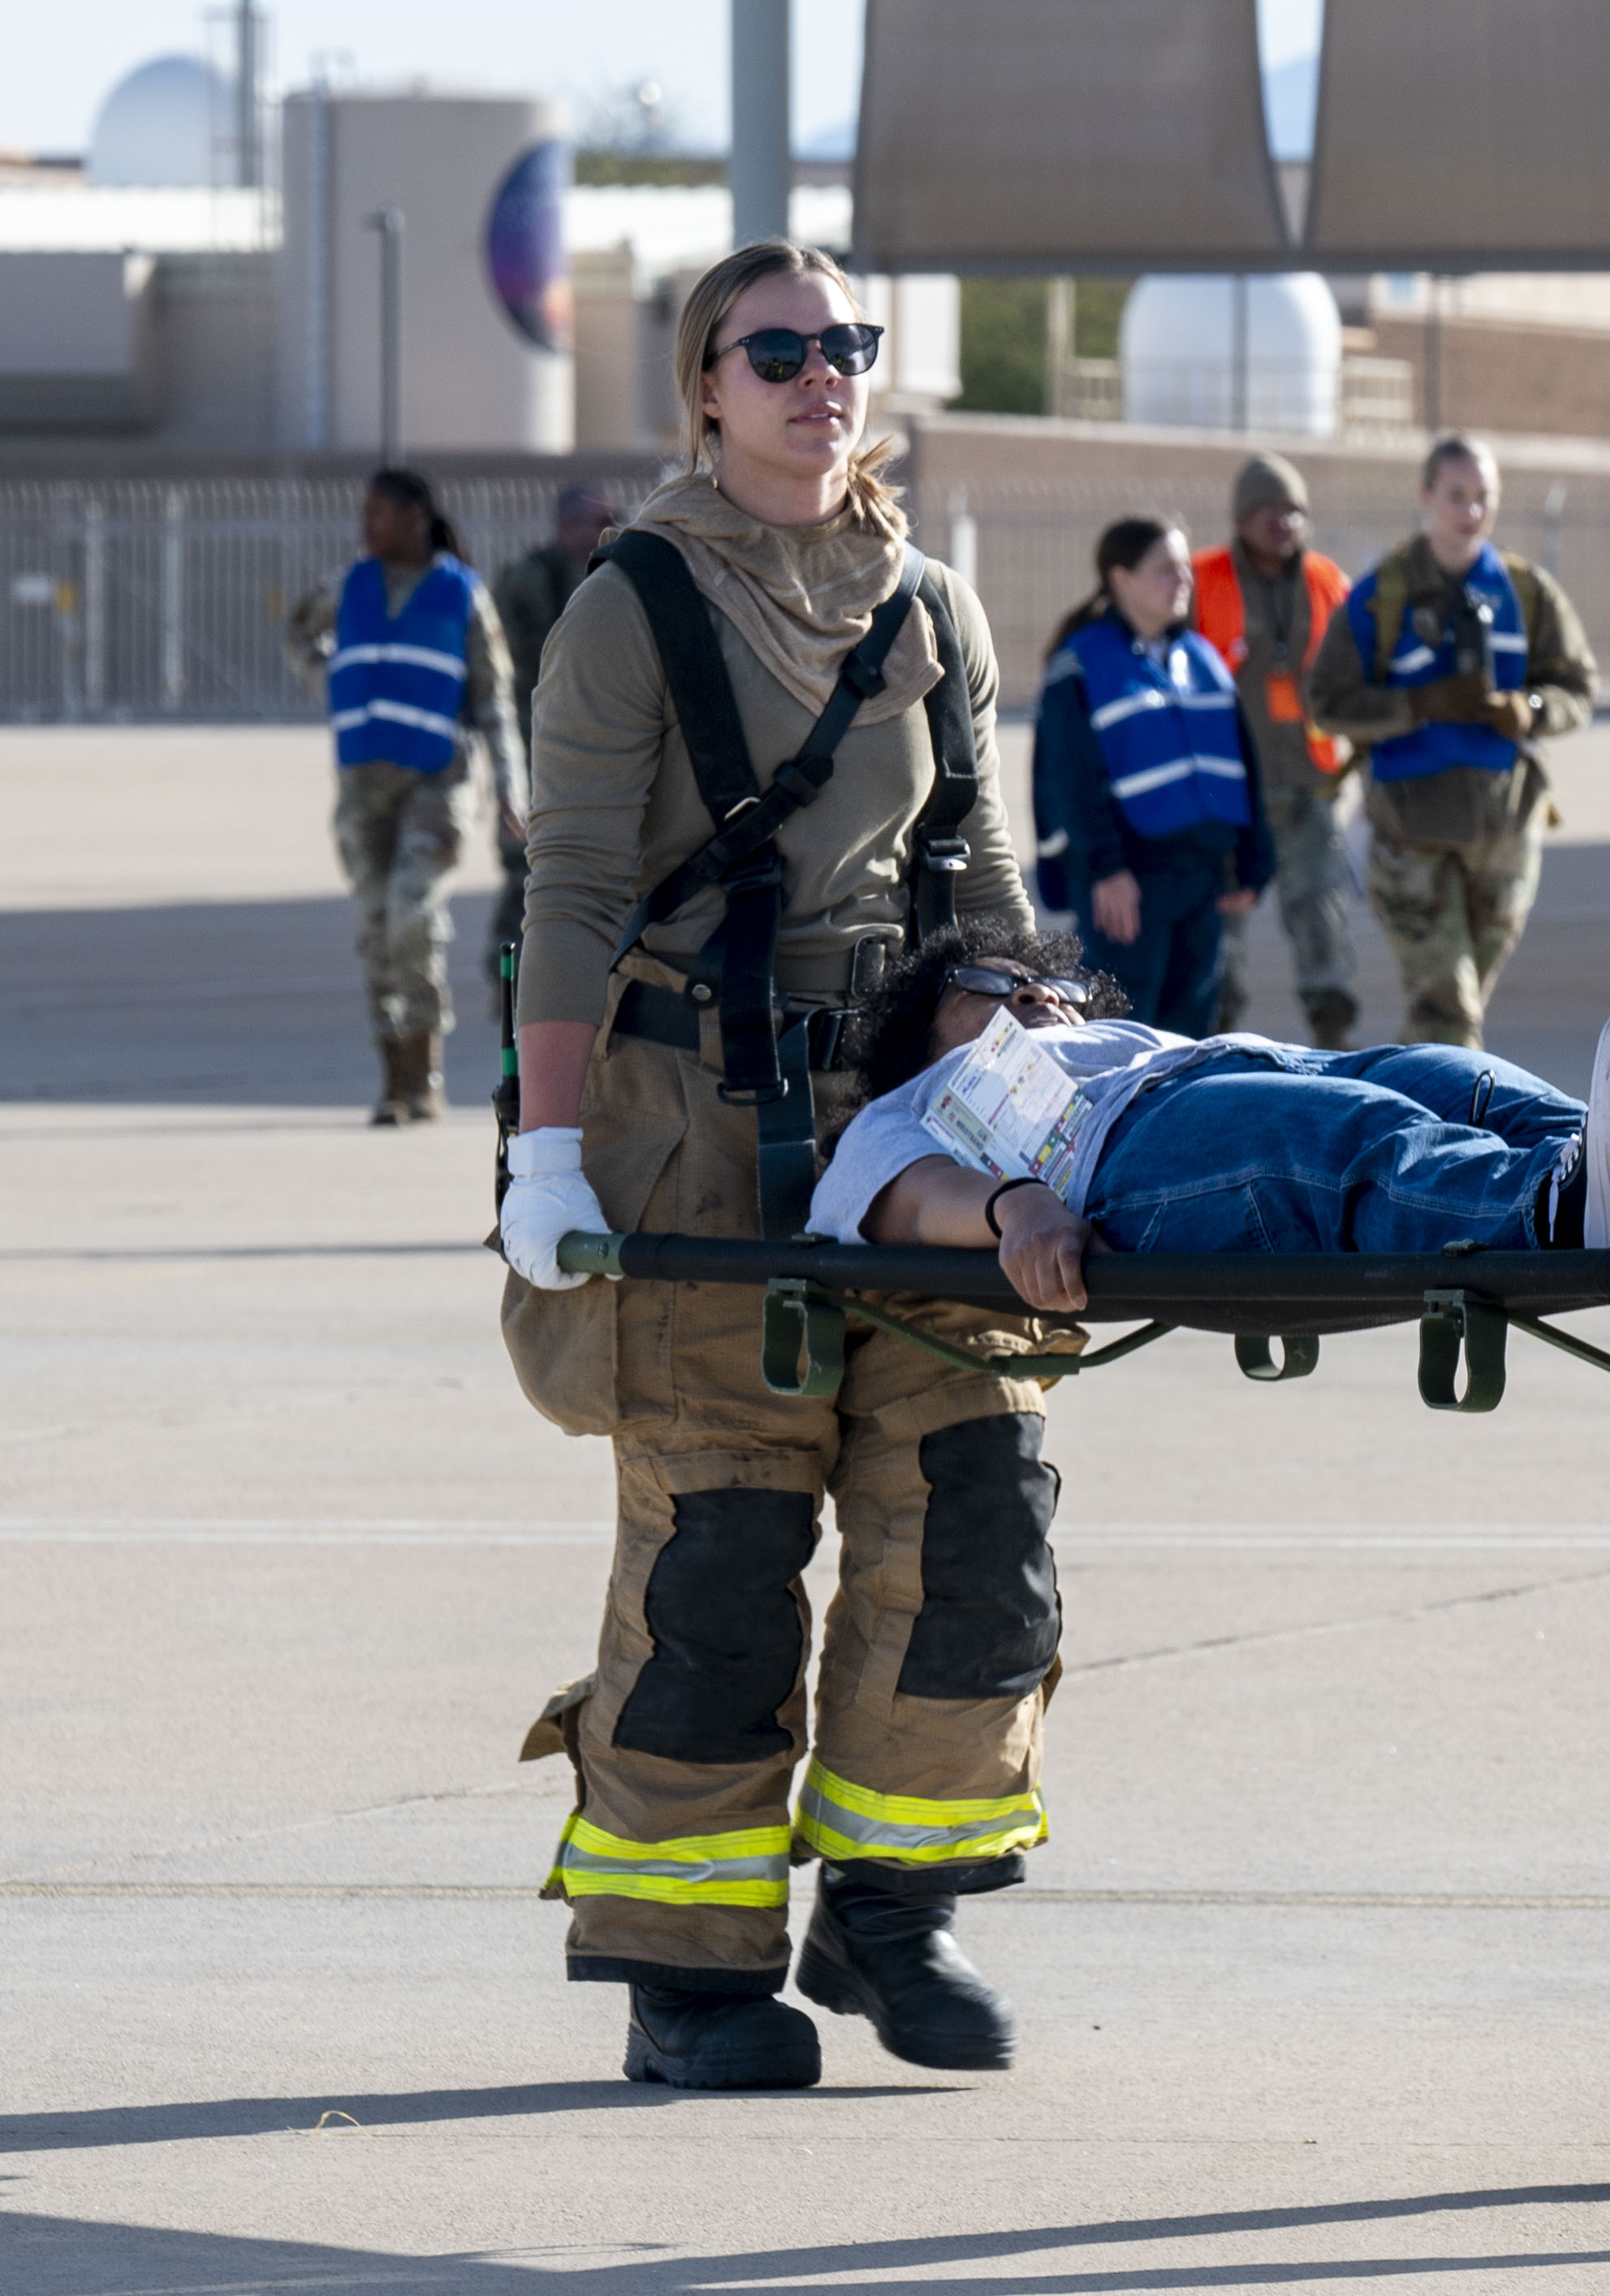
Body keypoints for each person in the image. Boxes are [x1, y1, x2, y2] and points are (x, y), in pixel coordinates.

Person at [487, 239, 1052, 2097]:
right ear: (704, 385)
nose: (825, 372)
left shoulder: (932, 608)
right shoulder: (631, 603)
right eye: (781, 347)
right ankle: (684, 1958)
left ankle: (894, 1906)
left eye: (848, 341)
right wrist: (546, 1150)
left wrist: (1014, 1124)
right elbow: (565, 892)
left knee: (972, 1510)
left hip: (909, 1131)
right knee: (723, 1541)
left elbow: (986, 897)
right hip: (695, 1129)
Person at [815, 919, 1610, 1308]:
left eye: (1051, 983)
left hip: (1240, 1064)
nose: (1041, 996)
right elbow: (916, 1198)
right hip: (1128, 1153)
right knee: (1345, 1141)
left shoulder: (1098, 1036)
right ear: (920, 1033)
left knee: (1466, 1081)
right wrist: (1017, 1205)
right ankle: (1552, 1213)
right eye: (995, 986)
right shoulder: (909, 1105)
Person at [1310, 434, 1598, 1047]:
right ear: (1426, 497)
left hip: (1505, 840)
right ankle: (1448, 1127)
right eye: (1456, 496)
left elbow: (1577, 687)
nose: (1470, 512)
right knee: (1450, 1012)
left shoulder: (1527, 593)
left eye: (1483, 498)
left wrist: (1530, 708)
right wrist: (1415, 706)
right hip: (1411, 840)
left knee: (1449, 1013)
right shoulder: (1379, 599)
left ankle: (1411, 1103)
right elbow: (1326, 703)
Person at [290, 464, 527, 1124]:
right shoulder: (349, 586)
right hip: (363, 786)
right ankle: (392, 1074)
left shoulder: (461, 595)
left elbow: (495, 699)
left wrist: (511, 784)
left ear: (417, 518)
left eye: (380, 515)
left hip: (435, 781)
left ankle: (424, 1070)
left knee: (412, 913)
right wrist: (326, 682)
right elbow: (298, 632)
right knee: (375, 926)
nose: (366, 527)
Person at [1034, 516, 1272, 1038]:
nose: (1183, 580)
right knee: (1119, 1030)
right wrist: (1106, 870)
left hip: (1201, 876)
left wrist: (1254, 861)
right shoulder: (1083, 663)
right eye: (1166, 569)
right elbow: (1068, 777)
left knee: (1189, 1028)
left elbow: (1244, 767)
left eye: (1185, 568)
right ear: (1120, 579)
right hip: (1130, 882)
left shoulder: (1203, 659)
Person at [1193, 451, 1364, 1047]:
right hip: (1228, 793)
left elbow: (1357, 670)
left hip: (1310, 785)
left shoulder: (1328, 581)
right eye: (1266, 509)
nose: (1281, 521)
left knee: (1322, 917)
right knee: (1220, 929)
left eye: (1292, 509)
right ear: (1241, 517)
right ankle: (1215, 1038)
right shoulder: (1201, 579)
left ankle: (1333, 1033)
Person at [491, 484, 624, 973]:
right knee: (527, 859)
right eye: (599, 519)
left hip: (592, 738)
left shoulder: (613, 575)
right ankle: (509, 968)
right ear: (568, 525)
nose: (609, 527)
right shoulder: (529, 578)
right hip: (533, 737)